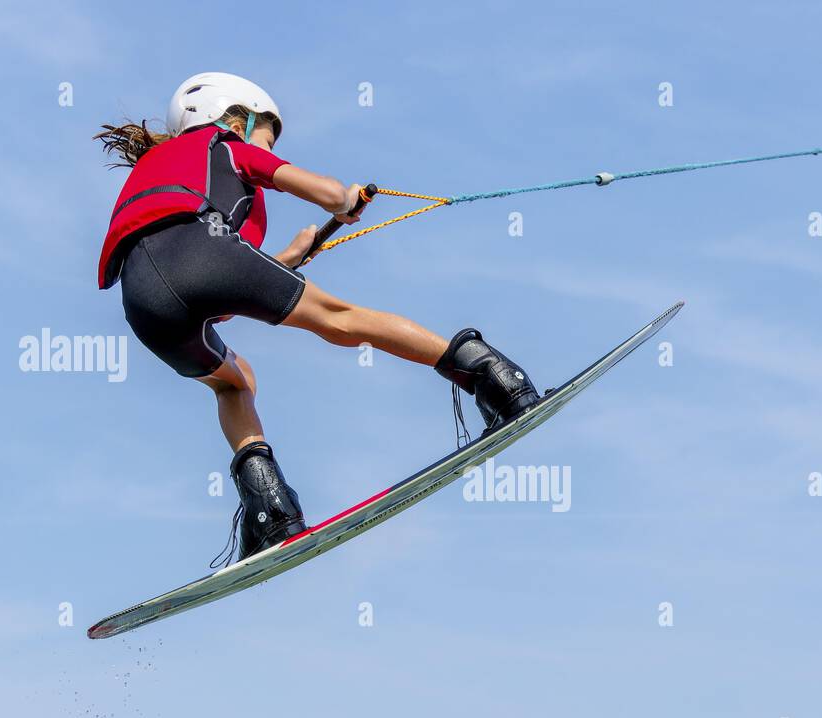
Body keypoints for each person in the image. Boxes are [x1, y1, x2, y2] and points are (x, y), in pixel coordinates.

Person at [95, 72, 539, 563]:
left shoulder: (158, 169)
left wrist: (286, 258)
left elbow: (209, 296)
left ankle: (270, 510)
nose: (268, 143)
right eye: (268, 132)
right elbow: (322, 195)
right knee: (338, 318)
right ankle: (494, 378)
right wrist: (345, 201)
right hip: (208, 253)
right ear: (235, 116)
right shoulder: (223, 143)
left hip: (143, 303)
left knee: (234, 383)